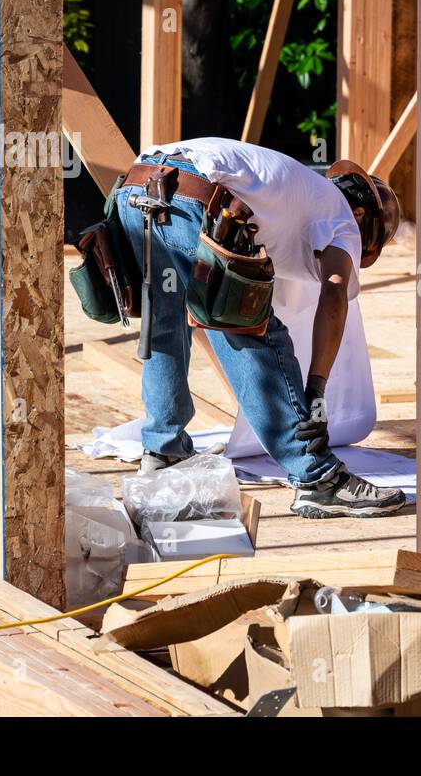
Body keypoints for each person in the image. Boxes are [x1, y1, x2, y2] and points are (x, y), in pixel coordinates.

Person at [116, 137, 404, 519]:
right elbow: (333, 294)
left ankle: (163, 452)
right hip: (190, 197)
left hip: (136, 190)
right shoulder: (342, 216)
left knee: (166, 325)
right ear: (363, 217)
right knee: (253, 328)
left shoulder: (297, 195)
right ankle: (317, 478)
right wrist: (316, 391)